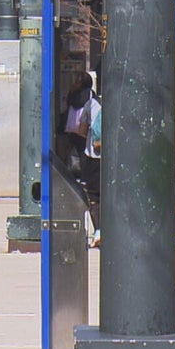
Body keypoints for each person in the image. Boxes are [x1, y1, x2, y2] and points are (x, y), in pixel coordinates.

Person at [58, 72, 96, 178]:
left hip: (73, 127)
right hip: (84, 126)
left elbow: (69, 104)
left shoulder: (73, 93)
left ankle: (72, 172)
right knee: (84, 151)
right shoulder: (90, 93)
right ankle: (84, 176)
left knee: (73, 150)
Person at [79, 85, 102, 247]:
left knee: (93, 197)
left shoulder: (91, 104)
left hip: (93, 156)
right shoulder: (122, 102)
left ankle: (99, 230)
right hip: (114, 159)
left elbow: (81, 129)